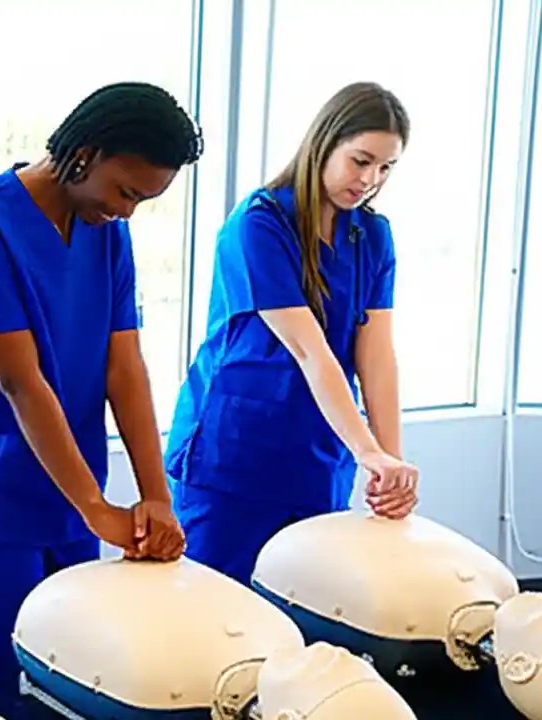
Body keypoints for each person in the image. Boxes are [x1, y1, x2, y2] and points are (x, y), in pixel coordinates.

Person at [0, 81, 204, 717]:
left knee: (67, 659)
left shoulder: (105, 231)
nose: (128, 212)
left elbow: (125, 369)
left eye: (145, 201)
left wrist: (156, 494)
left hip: (64, 485)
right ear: (84, 154)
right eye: (126, 192)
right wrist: (98, 508)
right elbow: (22, 382)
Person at [164, 81, 421, 588]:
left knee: (302, 607)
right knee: (219, 612)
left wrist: (390, 465)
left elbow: (376, 358)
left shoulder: (371, 235)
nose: (370, 180)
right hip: (232, 451)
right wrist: (369, 451)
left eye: (386, 168)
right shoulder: (259, 223)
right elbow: (310, 350)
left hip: (316, 454)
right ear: (324, 144)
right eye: (360, 160)